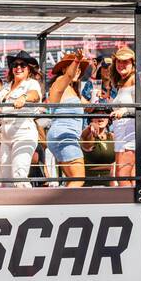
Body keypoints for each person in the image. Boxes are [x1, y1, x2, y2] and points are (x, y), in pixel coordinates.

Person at [0, 50, 42, 187]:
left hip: (23, 132)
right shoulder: (6, 87)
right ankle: (10, 207)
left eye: (22, 65)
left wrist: (24, 97)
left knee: (19, 175)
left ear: (29, 69)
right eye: (15, 65)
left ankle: (28, 207)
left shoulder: (31, 83)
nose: (18, 68)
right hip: (4, 136)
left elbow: (35, 95)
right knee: (5, 180)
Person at [45, 51, 88, 187]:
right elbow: (69, 75)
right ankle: (63, 208)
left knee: (72, 179)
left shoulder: (72, 90)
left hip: (64, 136)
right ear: (64, 69)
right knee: (78, 178)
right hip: (63, 135)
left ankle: (63, 206)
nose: (77, 71)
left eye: (79, 68)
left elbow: (90, 107)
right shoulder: (60, 82)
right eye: (74, 66)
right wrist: (77, 60)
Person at [107, 46, 138, 187]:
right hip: (120, 130)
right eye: (119, 61)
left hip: (131, 131)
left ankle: (131, 206)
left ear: (133, 63)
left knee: (122, 175)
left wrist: (124, 110)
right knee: (127, 175)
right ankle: (132, 205)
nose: (121, 65)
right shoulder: (120, 83)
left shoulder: (136, 79)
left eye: (126, 61)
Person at [81, 112, 115, 185]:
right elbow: (84, 136)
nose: (101, 117)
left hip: (111, 184)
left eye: (104, 114)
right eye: (97, 114)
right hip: (91, 184)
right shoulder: (90, 136)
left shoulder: (112, 137)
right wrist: (91, 126)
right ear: (91, 119)